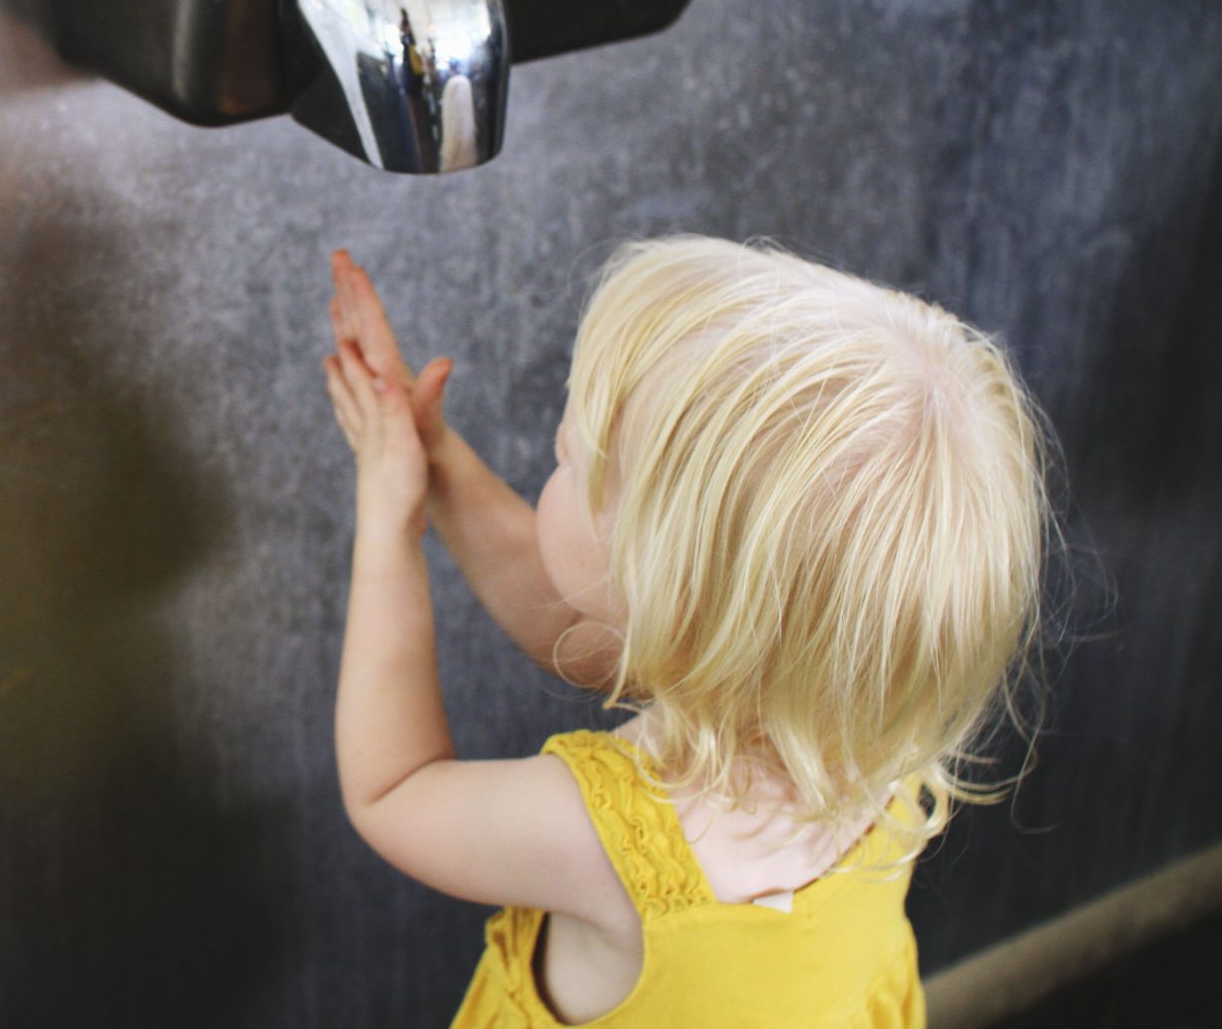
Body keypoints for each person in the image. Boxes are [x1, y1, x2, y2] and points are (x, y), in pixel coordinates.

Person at [320, 235, 1052, 1027]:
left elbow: (393, 791)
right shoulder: (870, 722)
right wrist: (434, 458)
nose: (553, 456)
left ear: (672, 589)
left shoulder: (608, 842)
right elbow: (578, 627)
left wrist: (388, 528)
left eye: (570, 461)